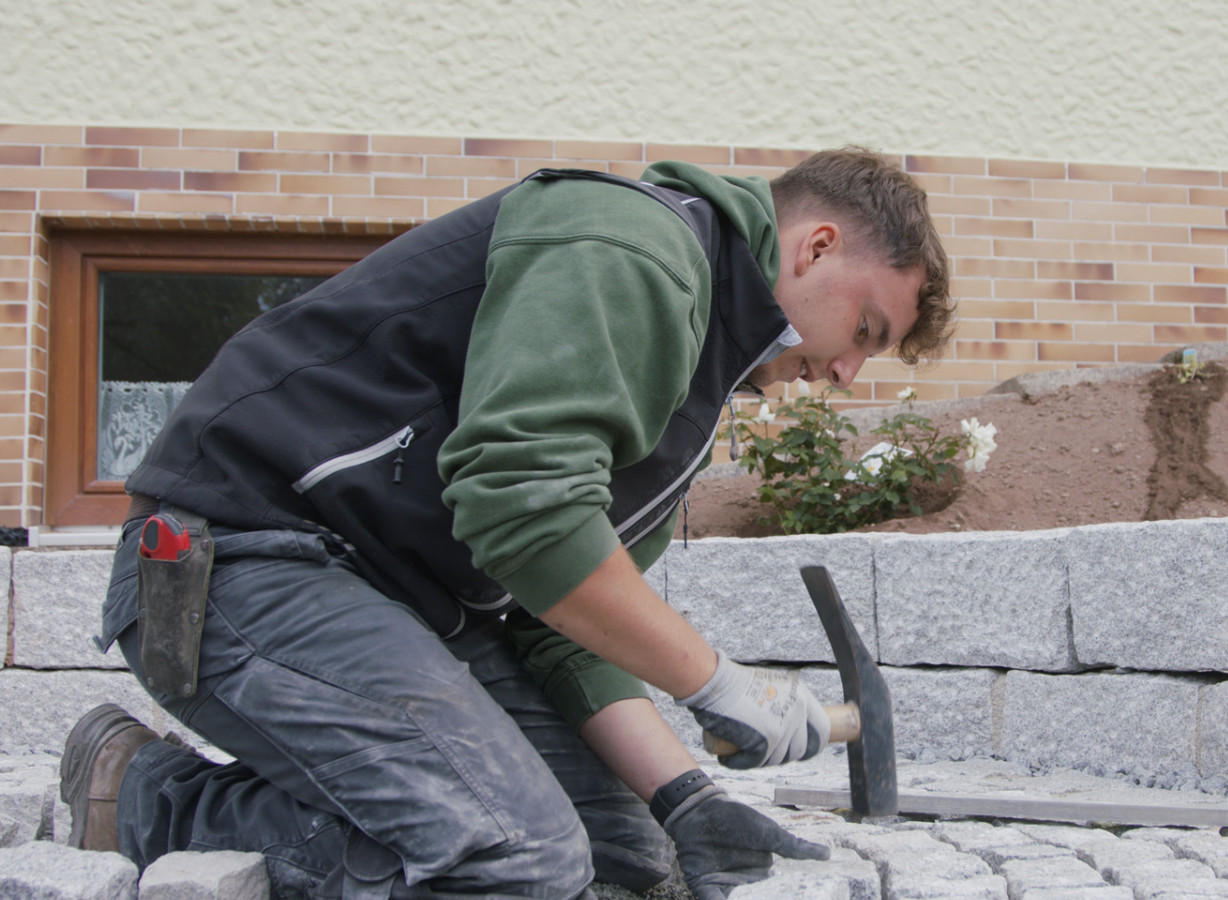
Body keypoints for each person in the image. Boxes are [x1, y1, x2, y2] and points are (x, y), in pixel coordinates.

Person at [59, 147, 952, 900]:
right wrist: (721, 685)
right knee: (519, 859)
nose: (848, 375)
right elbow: (526, 513)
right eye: (866, 330)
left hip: (394, 605)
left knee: (631, 857)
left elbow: (557, 618)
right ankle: (146, 795)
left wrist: (686, 799)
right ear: (816, 247)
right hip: (241, 556)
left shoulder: (695, 381)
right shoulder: (633, 247)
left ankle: (378, 792)